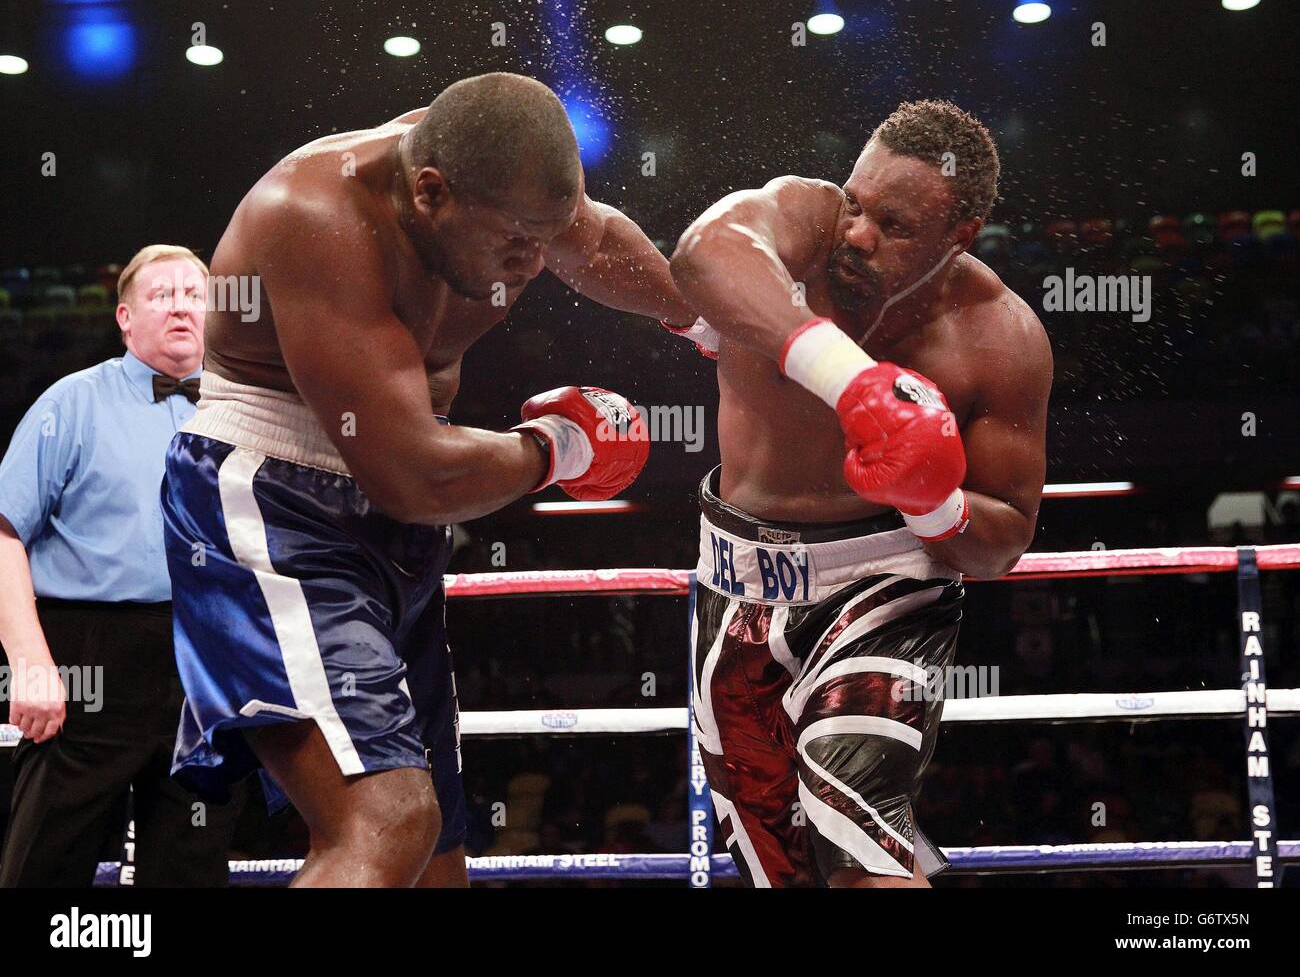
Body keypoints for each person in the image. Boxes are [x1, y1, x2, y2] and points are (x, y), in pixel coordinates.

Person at [161, 72, 694, 887]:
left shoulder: (507, 190)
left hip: (394, 517)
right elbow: (415, 477)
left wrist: (699, 318)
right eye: (515, 242)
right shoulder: (314, 217)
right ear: (430, 192)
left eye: (544, 238)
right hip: (275, 500)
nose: (530, 262)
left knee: (433, 850)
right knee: (386, 819)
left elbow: (590, 239)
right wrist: (560, 445)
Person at [668, 100, 1052, 887]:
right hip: (733, 585)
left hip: (889, 590)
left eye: (896, 224)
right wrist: (851, 384)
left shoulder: (998, 337)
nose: (858, 233)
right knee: (779, 862)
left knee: (852, 812)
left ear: (960, 237)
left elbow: (1007, 537)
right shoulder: (804, 224)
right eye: (857, 201)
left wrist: (932, 499)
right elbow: (701, 255)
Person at [0, 245, 238, 887]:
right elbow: (2, 532)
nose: (181, 306)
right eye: (161, 295)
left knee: (192, 866)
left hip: (210, 660)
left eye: (194, 293)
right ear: (126, 318)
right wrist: (28, 661)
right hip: (92, 653)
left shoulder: (251, 412)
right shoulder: (70, 404)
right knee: (46, 862)